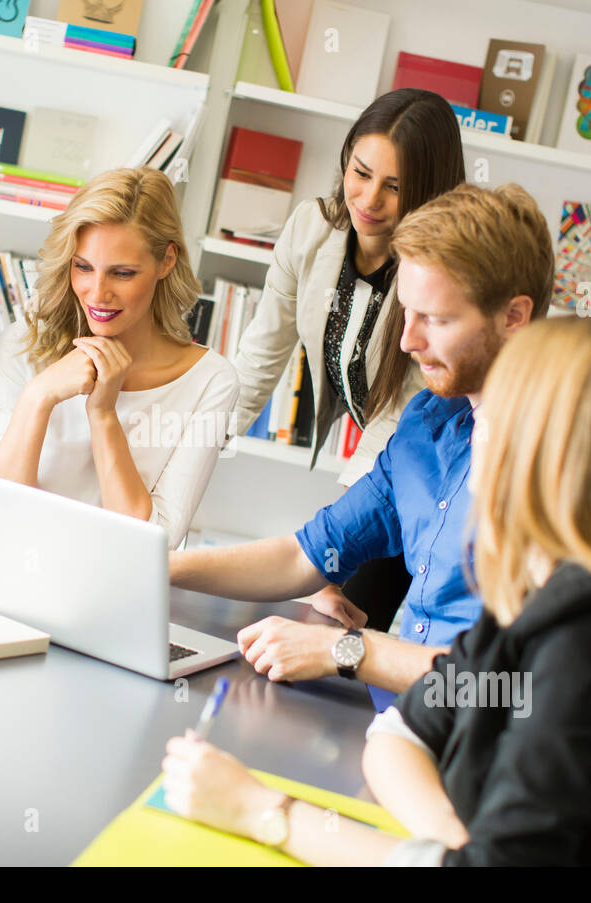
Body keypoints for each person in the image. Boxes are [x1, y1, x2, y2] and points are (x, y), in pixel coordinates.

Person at [161, 316, 591, 866]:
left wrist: (263, 811)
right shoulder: (537, 601)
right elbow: (399, 731)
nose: (467, 434)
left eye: (490, 421)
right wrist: (455, 845)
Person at [171, 183, 553, 711]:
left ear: (514, 317)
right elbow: (304, 555)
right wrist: (159, 567)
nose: (407, 343)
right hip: (402, 729)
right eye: (406, 313)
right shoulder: (427, 424)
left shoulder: (565, 463)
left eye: (436, 320)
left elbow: (505, 685)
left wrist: (346, 649)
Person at [228, 89, 466, 633]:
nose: (368, 199)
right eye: (360, 173)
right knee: (325, 616)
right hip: (390, 468)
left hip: (434, 473)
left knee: (341, 627)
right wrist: (189, 448)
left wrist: (334, 549)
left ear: (427, 193)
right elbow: (262, 352)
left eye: (395, 187)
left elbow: (401, 417)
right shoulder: (313, 230)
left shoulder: (440, 270)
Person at [0, 167, 238, 550]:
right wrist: (39, 396)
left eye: (122, 273)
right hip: (13, 573)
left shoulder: (211, 381)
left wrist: (103, 415)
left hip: (115, 595)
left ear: (166, 261)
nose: (97, 294)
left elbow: (151, 543)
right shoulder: (23, 345)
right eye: (83, 267)